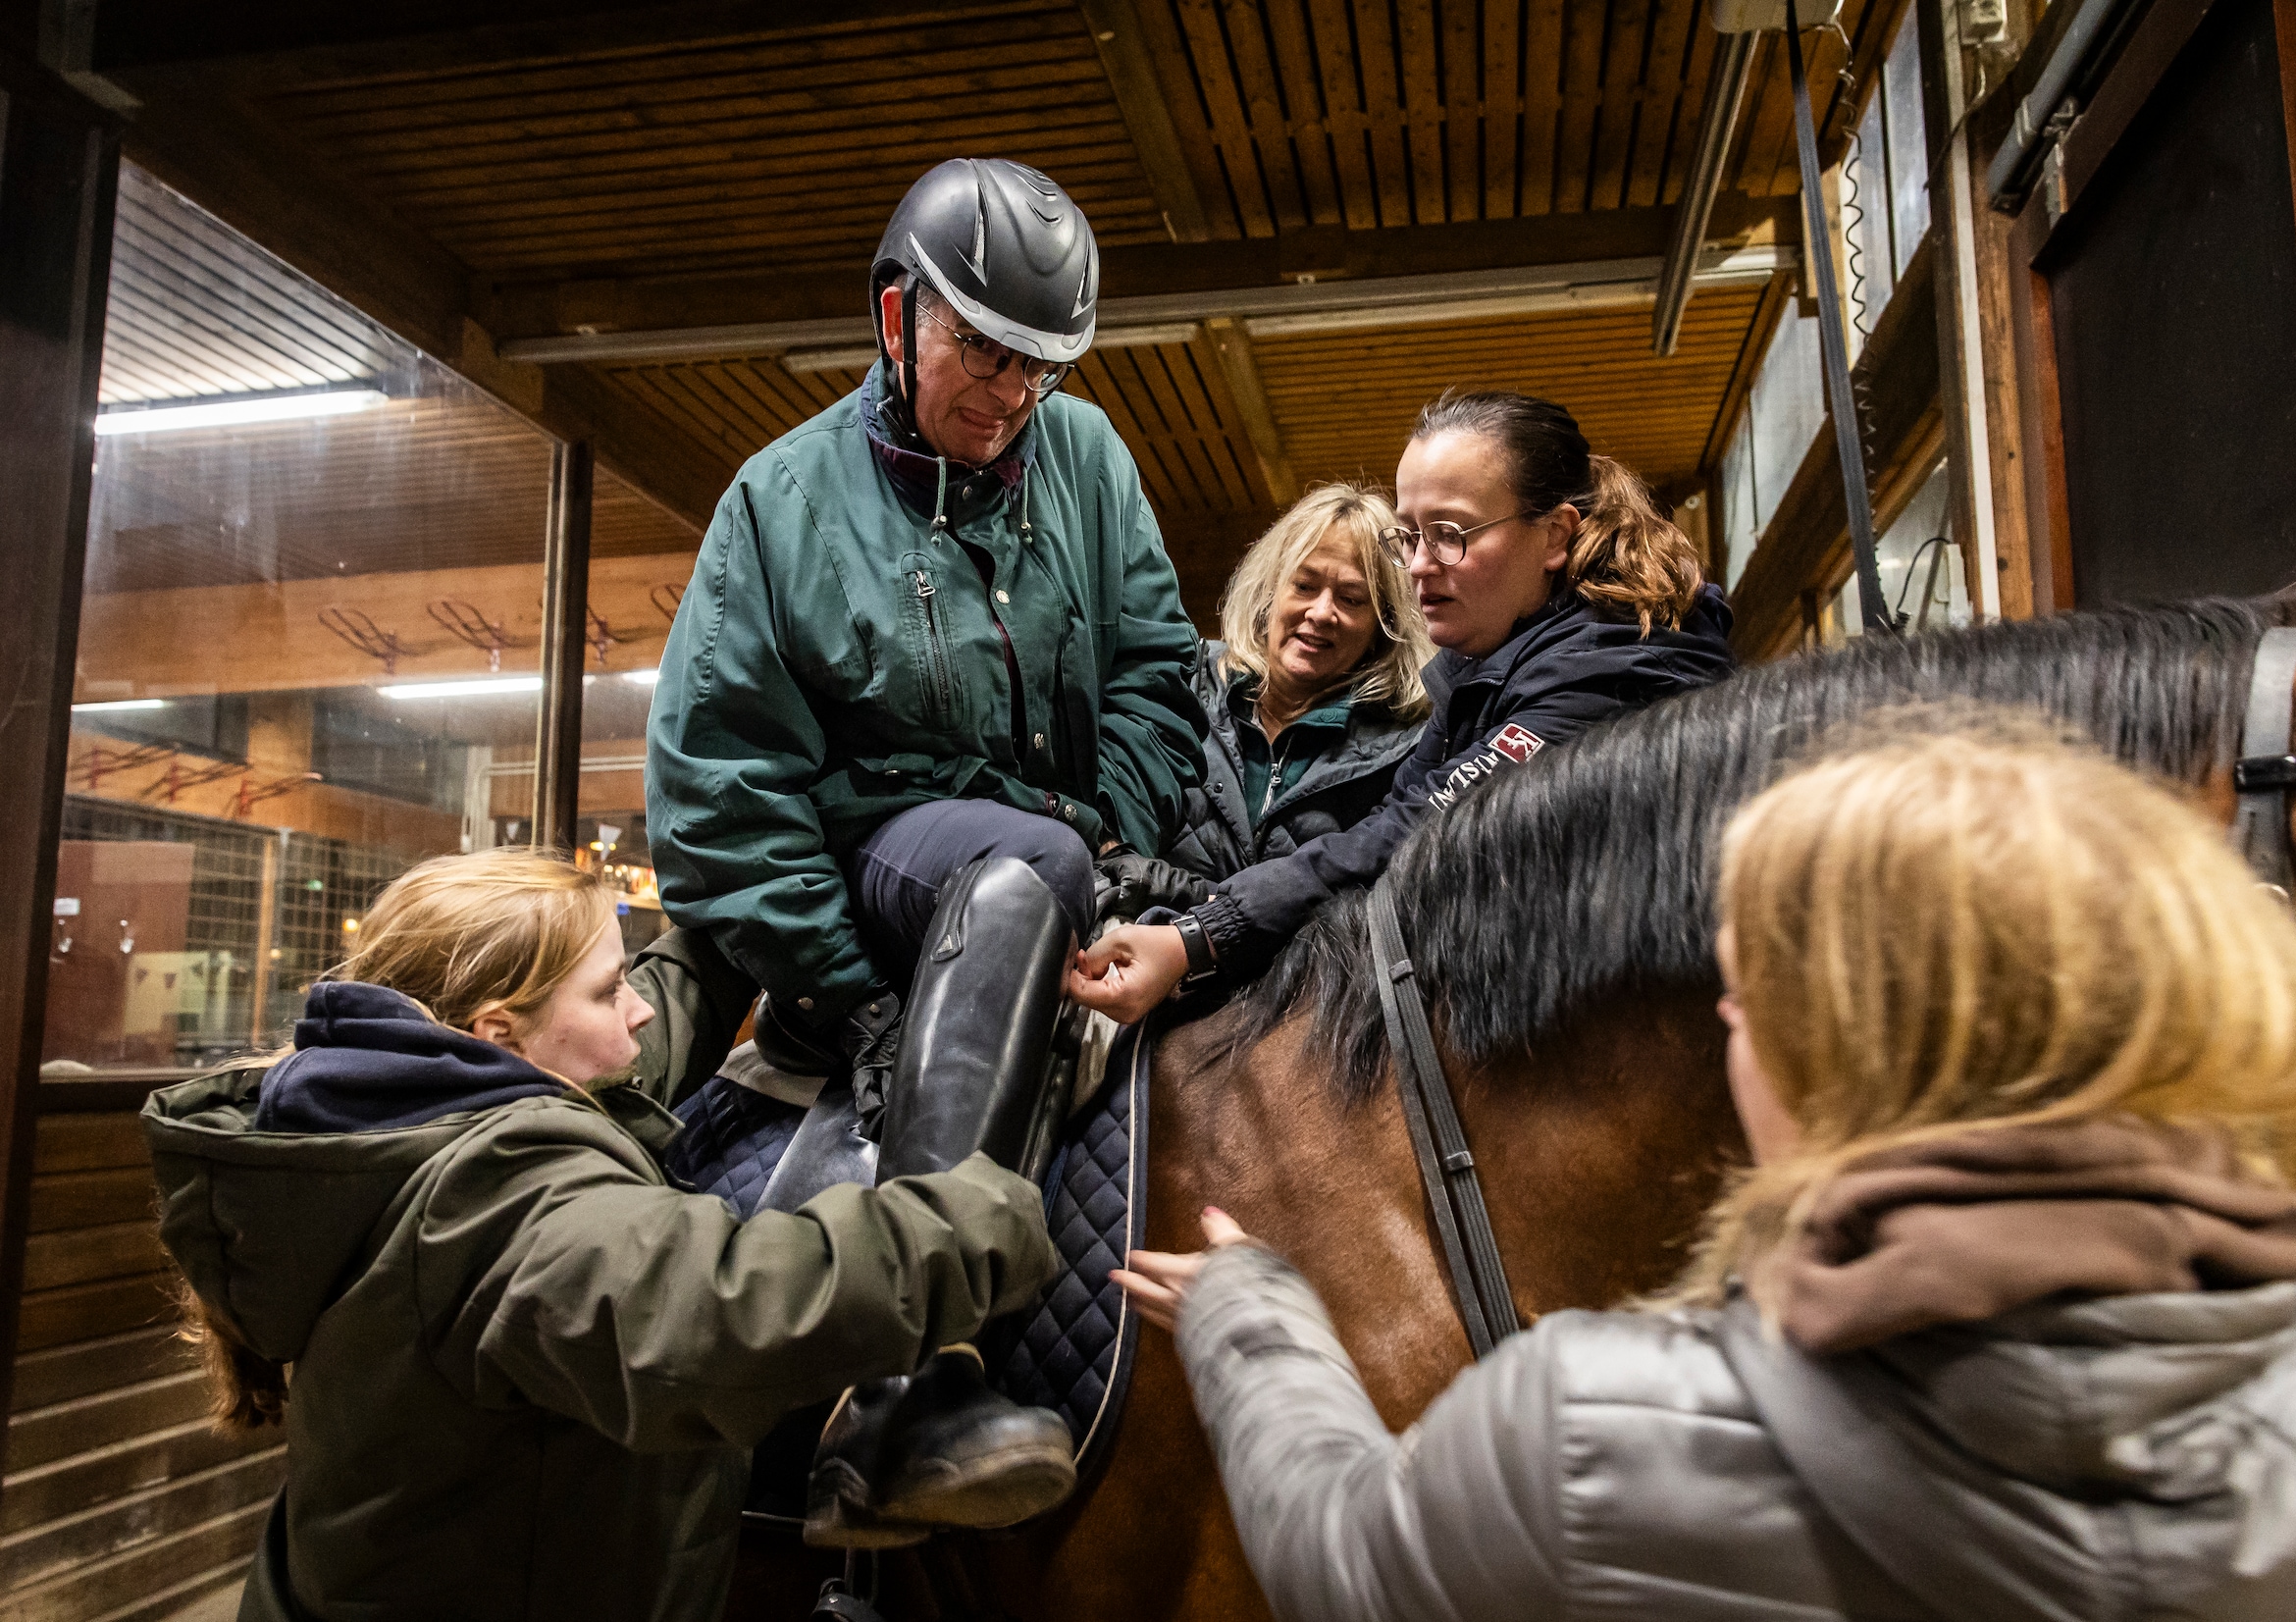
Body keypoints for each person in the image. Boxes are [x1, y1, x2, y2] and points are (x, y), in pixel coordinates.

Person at [1115, 734, 2296, 1622]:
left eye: (1745, 1003)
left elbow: (1346, 1559)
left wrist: (1252, 1314)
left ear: (1823, 1057)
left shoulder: (1595, 1429)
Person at [645, 158, 1205, 1538]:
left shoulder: (1089, 458)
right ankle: (905, 1380)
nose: (1011, 395)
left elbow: (1153, 669)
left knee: (1051, 866)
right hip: (869, 868)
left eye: (1040, 367)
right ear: (897, 316)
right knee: (1016, 868)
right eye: (983, 351)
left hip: (1063, 847)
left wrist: (1109, 825)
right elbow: (722, 785)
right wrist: (849, 993)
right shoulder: (778, 498)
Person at [144, 849, 1057, 1622]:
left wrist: (774, 876)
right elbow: (725, 1308)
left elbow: (668, 999)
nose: (638, 1008)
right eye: (608, 989)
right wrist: (989, 1212)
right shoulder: (494, 1201)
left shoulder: (400, 1109)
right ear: (499, 1031)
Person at [1070, 390, 1735, 1020]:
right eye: (1410, 535)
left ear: (1556, 536)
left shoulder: (1614, 668)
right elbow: (1394, 825)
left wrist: (1198, 934)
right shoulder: (1484, 671)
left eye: (1450, 532)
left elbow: (1416, 833)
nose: (1418, 564)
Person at [1104, 483, 1433, 919]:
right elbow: (1110, 846)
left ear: (1382, 625)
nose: (1321, 612)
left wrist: (1194, 904)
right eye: (1304, 585)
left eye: (1351, 599)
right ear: (1270, 592)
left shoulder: (1408, 750)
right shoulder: (1180, 681)